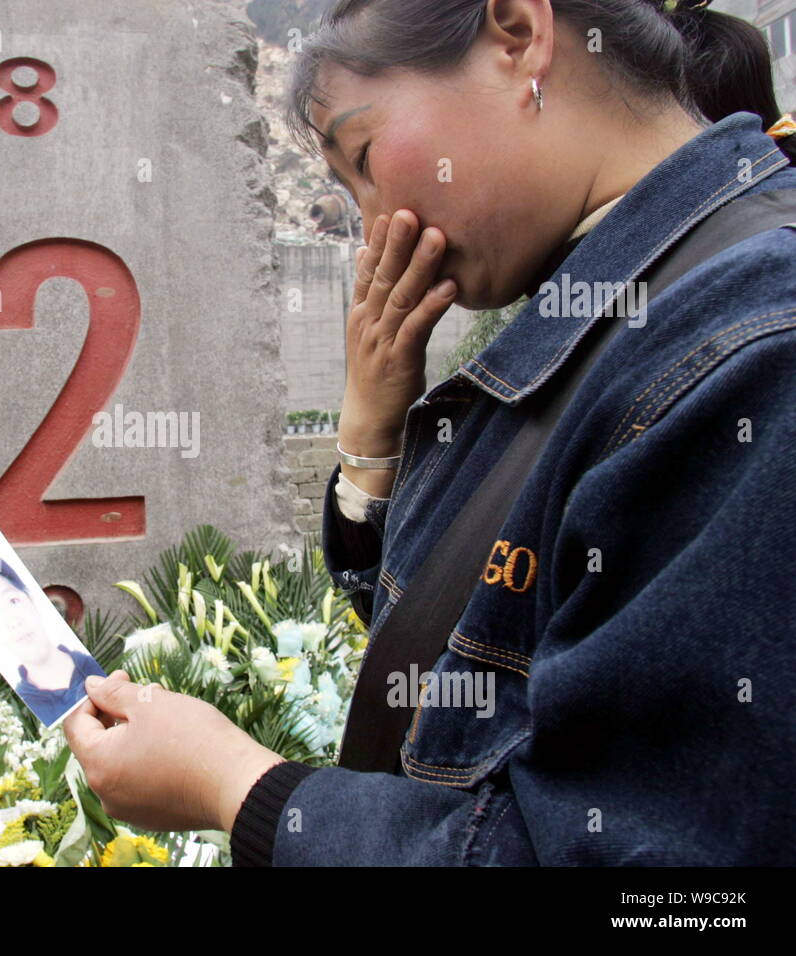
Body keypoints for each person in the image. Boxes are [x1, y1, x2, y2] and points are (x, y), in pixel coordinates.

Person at [62, 0, 796, 864]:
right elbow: (483, 657)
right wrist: (372, 443)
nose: (376, 225)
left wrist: (239, 786)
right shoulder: (619, 303)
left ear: (519, 35)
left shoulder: (746, 347)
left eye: (366, 158)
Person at [0, 545, 104, 725]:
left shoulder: (98, 672)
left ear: (30, 597)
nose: (12, 621)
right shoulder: (12, 714)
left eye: (13, 600)